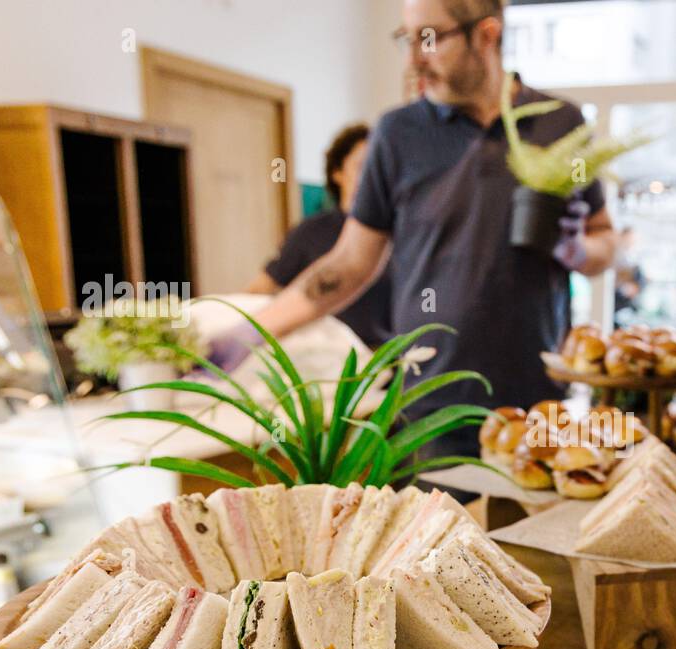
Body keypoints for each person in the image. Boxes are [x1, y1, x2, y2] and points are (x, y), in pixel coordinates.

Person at [209, 0, 618, 460]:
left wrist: (574, 248)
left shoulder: (560, 121)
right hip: (429, 407)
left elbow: (605, 241)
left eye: (429, 39)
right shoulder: (396, 133)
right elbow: (348, 264)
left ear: (486, 34)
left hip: (538, 402)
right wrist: (248, 332)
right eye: (406, 39)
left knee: (529, 534)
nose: (412, 60)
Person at [241, 123, 392, 350]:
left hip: (390, 362)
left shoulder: (401, 233)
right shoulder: (310, 233)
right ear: (338, 172)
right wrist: (240, 333)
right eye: (362, 167)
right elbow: (259, 290)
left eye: (381, 168)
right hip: (330, 364)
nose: (373, 178)